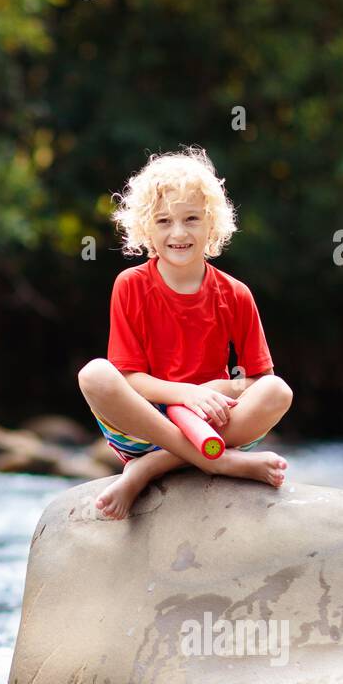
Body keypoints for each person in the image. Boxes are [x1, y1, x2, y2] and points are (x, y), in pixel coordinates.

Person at [78, 146, 293, 520]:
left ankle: (152, 468)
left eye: (191, 218)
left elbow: (257, 380)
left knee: (279, 392)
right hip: (147, 428)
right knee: (94, 374)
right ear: (146, 228)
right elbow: (128, 378)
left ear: (212, 224)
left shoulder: (236, 294)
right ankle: (215, 464)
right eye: (163, 221)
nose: (178, 232)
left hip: (214, 426)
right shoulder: (130, 285)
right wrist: (182, 394)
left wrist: (211, 392)